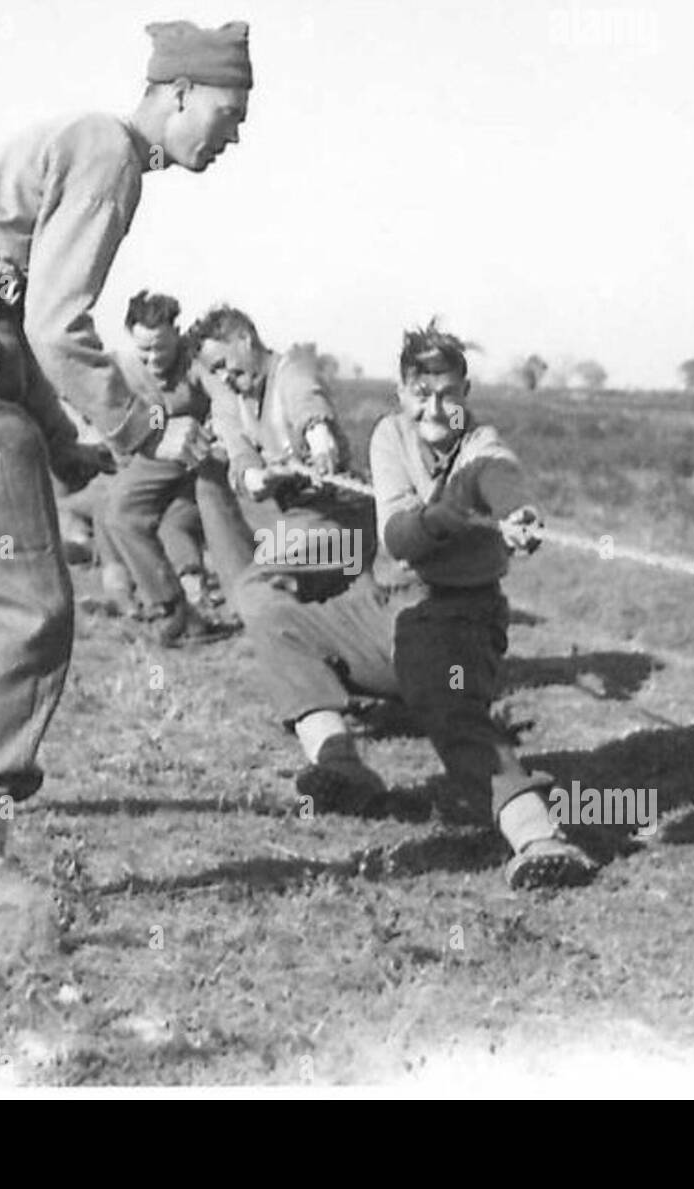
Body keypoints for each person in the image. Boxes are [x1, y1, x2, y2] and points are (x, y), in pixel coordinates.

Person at [0, 19, 253, 896]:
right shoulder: (110, 153)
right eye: (229, 110)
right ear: (178, 93)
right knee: (25, 597)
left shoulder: (82, 142)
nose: (235, 134)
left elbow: (9, 320)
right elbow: (53, 325)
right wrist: (146, 431)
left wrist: (69, 446)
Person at [237, 321, 597, 890]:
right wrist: (454, 508)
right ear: (403, 394)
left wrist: (518, 513)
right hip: (387, 609)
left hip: (459, 619)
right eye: (421, 394)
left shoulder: (483, 445)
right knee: (276, 617)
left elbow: (498, 477)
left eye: (448, 394)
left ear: (465, 395)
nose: (434, 407)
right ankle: (342, 768)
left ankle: (539, 837)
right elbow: (403, 538)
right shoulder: (389, 436)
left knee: (445, 698)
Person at [92, 291, 256, 644]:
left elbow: (225, 399)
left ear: (175, 334)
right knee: (119, 512)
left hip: (201, 454)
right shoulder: (122, 367)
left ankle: (253, 606)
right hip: (156, 457)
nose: (153, 359)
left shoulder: (193, 359)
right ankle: (171, 607)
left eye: (160, 348)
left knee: (210, 516)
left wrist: (229, 436)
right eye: (144, 349)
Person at [190, 305, 375, 603]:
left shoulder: (291, 371)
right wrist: (266, 477)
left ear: (245, 340)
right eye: (215, 371)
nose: (224, 377)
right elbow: (245, 467)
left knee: (256, 588)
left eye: (224, 363)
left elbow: (306, 399)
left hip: (344, 513)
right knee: (315, 601)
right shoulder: (230, 404)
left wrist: (318, 433)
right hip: (302, 518)